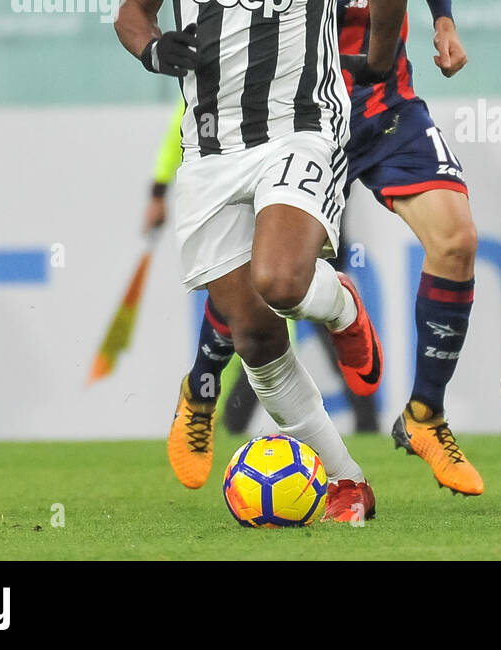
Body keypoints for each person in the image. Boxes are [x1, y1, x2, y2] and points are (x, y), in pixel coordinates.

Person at [114, 0, 409, 522]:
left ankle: (339, 303)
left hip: (300, 127)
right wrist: (154, 50)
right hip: (209, 148)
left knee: (282, 282)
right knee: (254, 334)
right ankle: (347, 483)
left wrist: (377, 61)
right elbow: (131, 13)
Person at [293, 0, 484, 496]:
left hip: (387, 99)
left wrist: (442, 17)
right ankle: (202, 392)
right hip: (306, 112)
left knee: (458, 240)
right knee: (273, 279)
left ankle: (425, 415)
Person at [145, 100, 378, 464]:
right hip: (232, 172)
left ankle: (365, 419)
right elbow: (185, 117)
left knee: (285, 298)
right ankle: (210, 396)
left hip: (302, 174)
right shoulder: (221, 64)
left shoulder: (316, 63)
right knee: (255, 322)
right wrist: (159, 188)